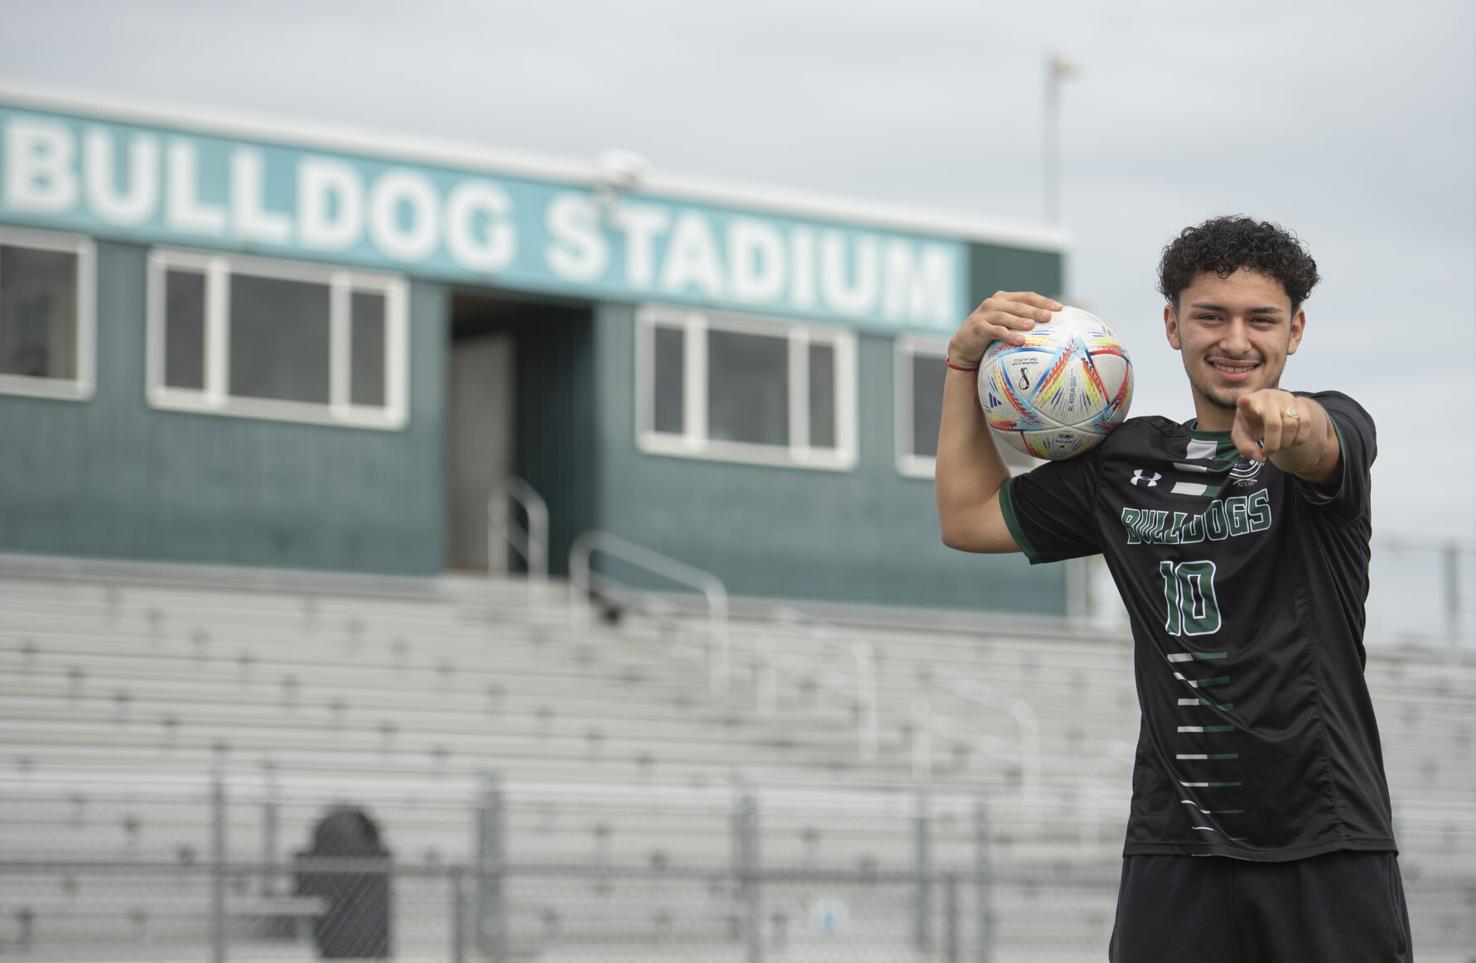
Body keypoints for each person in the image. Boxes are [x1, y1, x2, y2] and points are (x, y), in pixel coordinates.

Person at [935, 216, 1410, 961]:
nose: (1236, 340)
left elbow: (1322, 440)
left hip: (1328, 840)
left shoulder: (1332, 432)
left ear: (1296, 331)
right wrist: (964, 366)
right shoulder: (1121, 465)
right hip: (1174, 846)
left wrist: (1291, 420)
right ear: (1170, 324)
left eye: (1262, 320)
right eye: (1210, 316)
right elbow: (965, 517)